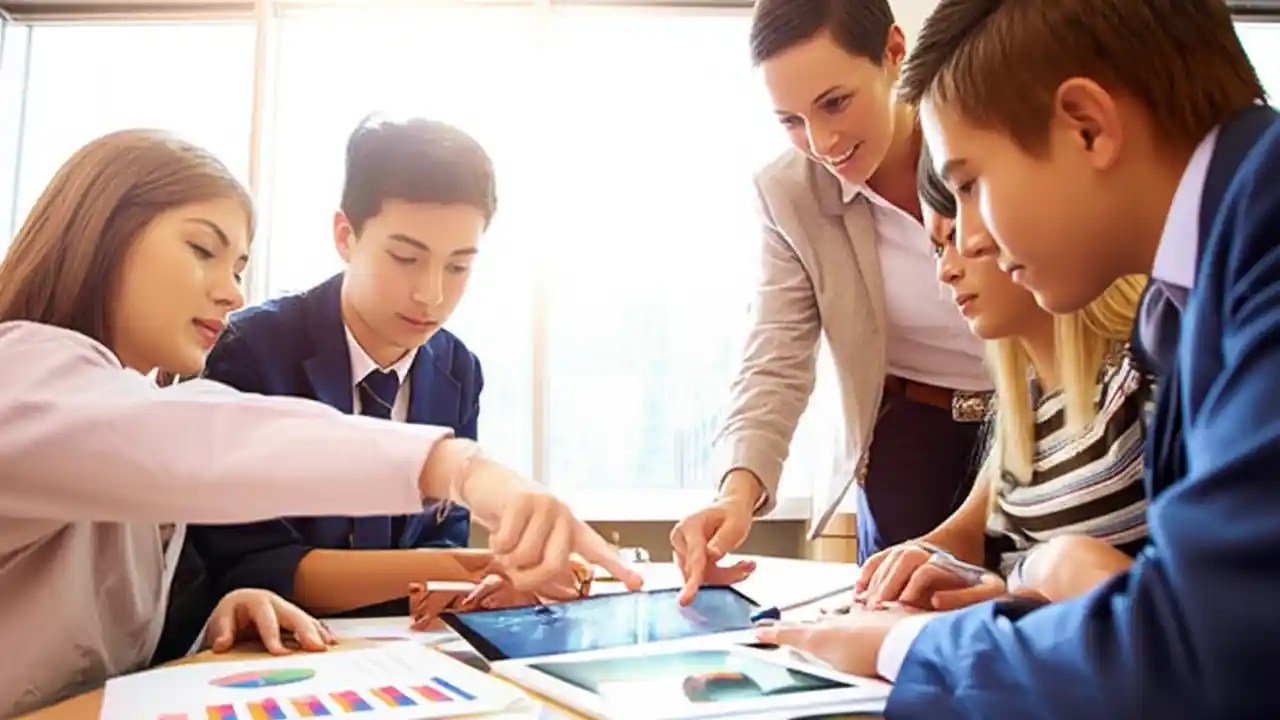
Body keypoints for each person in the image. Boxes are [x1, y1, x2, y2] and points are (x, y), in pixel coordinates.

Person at [0, 129, 641, 716]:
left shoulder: (122, 399)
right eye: (203, 249)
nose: (231, 292)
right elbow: (209, 441)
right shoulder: (22, 371)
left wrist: (218, 614)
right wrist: (460, 468)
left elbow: (94, 643)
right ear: (103, 232)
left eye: (239, 267)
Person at [756, 1, 1280, 717]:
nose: (972, 241)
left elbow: (1200, 649)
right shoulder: (1196, 289)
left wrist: (903, 649)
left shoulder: (1261, 256)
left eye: (969, 186)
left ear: (1087, 126)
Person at [671, 0, 992, 603]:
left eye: (836, 102)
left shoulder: (984, 138)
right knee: (894, 635)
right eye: (790, 120)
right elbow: (775, 354)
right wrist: (736, 494)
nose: (822, 141)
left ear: (895, 53)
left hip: (1036, 422)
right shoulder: (789, 193)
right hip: (910, 442)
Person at [183, 116, 537, 623]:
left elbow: (442, 533)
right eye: (405, 258)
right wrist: (463, 567)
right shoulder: (250, 349)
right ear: (345, 236)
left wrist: (480, 581)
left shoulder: (458, 368)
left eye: (458, 267)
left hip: (403, 653)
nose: (431, 294)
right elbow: (247, 564)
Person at [854, 147, 1149, 612]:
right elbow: (980, 550)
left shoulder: (1140, 380)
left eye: (958, 236)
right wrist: (936, 565)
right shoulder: (1024, 407)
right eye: (936, 248)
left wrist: (1016, 595)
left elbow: (1182, 615)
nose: (946, 270)